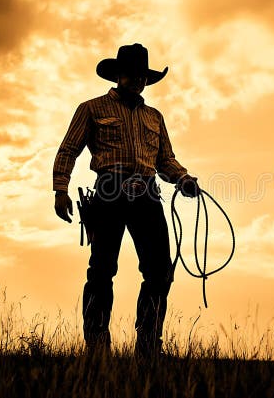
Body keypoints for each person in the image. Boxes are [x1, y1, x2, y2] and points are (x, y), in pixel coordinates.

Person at [52, 43, 200, 358]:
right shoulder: (91, 109)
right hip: (109, 192)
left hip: (147, 193)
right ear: (119, 75)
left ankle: (148, 345)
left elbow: (165, 160)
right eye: (132, 74)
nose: (138, 80)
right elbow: (69, 149)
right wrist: (60, 189)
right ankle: (97, 346)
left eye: (142, 76)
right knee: (102, 269)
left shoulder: (154, 117)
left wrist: (183, 178)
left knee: (160, 271)